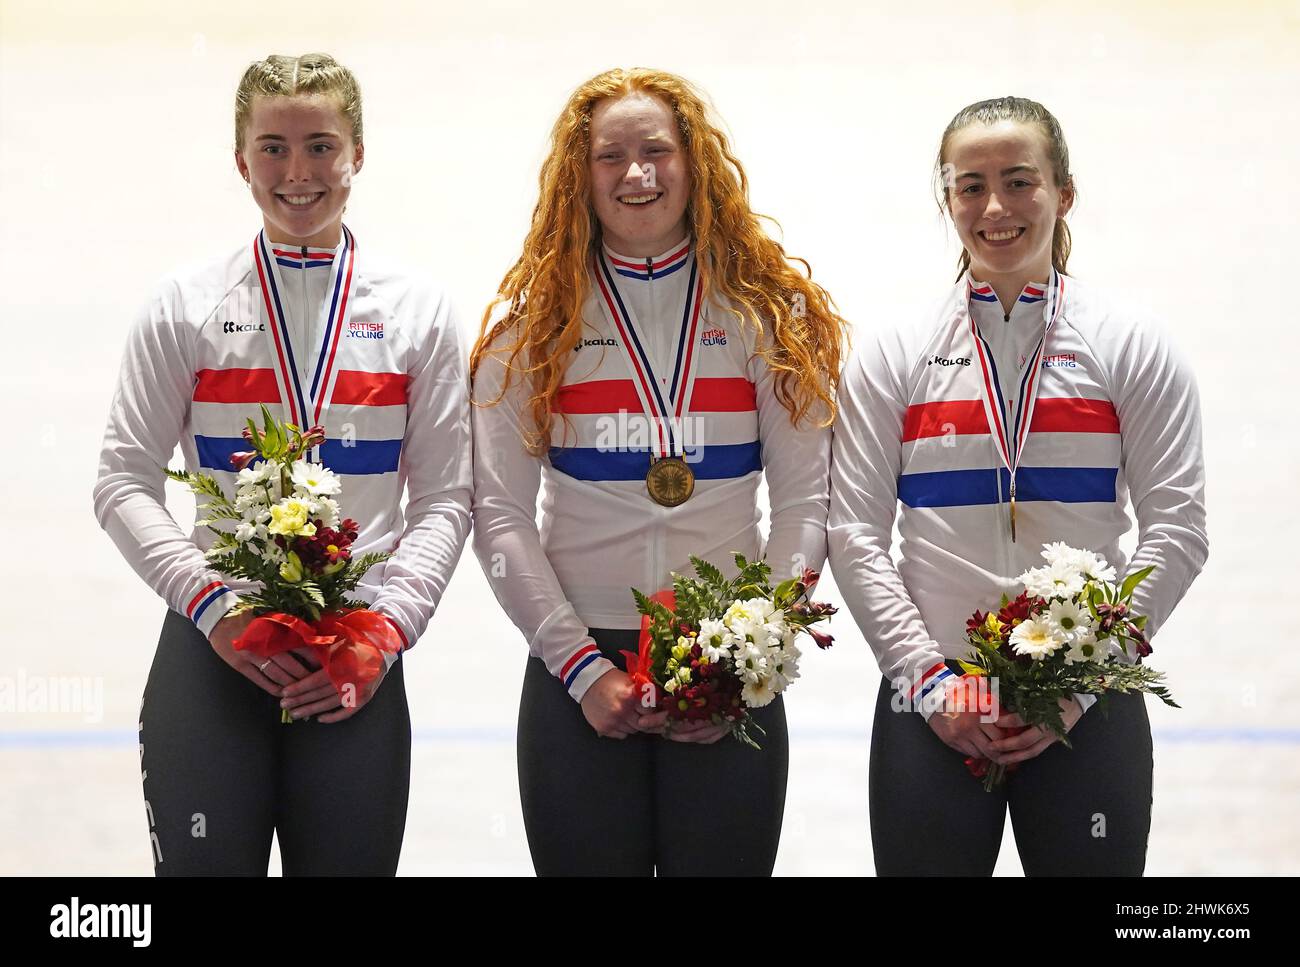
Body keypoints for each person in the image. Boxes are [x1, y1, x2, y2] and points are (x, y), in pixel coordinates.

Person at [92, 53, 472, 875]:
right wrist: (217, 610)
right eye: (273, 147)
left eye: (321, 146)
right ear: (240, 161)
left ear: (358, 154)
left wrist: (384, 632)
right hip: (215, 653)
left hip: (355, 664)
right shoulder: (186, 304)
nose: (298, 173)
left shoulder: (419, 311)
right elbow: (122, 479)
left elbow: (446, 499)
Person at [470, 68, 847, 876]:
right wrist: (579, 665)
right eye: (611, 156)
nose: (636, 174)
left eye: (656, 151)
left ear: (694, 163)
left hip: (726, 664)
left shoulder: (766, 316)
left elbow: (808, 502)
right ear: (581, 174)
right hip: (579, 671)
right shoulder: (534, 328)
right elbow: (497, 515)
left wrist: (752, 652)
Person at [829, 95, 1208, 876]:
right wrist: (929, 681)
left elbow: (1178, 532)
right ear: (947, 199)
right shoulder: (895, 353)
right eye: (971, 185)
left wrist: (1081, 682)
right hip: (931, 702)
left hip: (1088, 702)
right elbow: (854, 534)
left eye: (1019, 181)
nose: (994, 207)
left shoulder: (1131, 344)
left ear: (1064, 193)